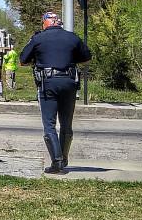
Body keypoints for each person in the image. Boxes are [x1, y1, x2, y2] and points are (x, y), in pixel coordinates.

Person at [19, 11, 92, 174]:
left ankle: (57, 162)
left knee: (49, 124)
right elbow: (87, 59)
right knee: (66, 123)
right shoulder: (72, 37)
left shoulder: (38, 38)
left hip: (48, 83)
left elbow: (23, 60)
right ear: (58, 22)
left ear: (46, 23)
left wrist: (39, 60)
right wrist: (70, 61)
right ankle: (63, 158)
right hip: (69, 82)